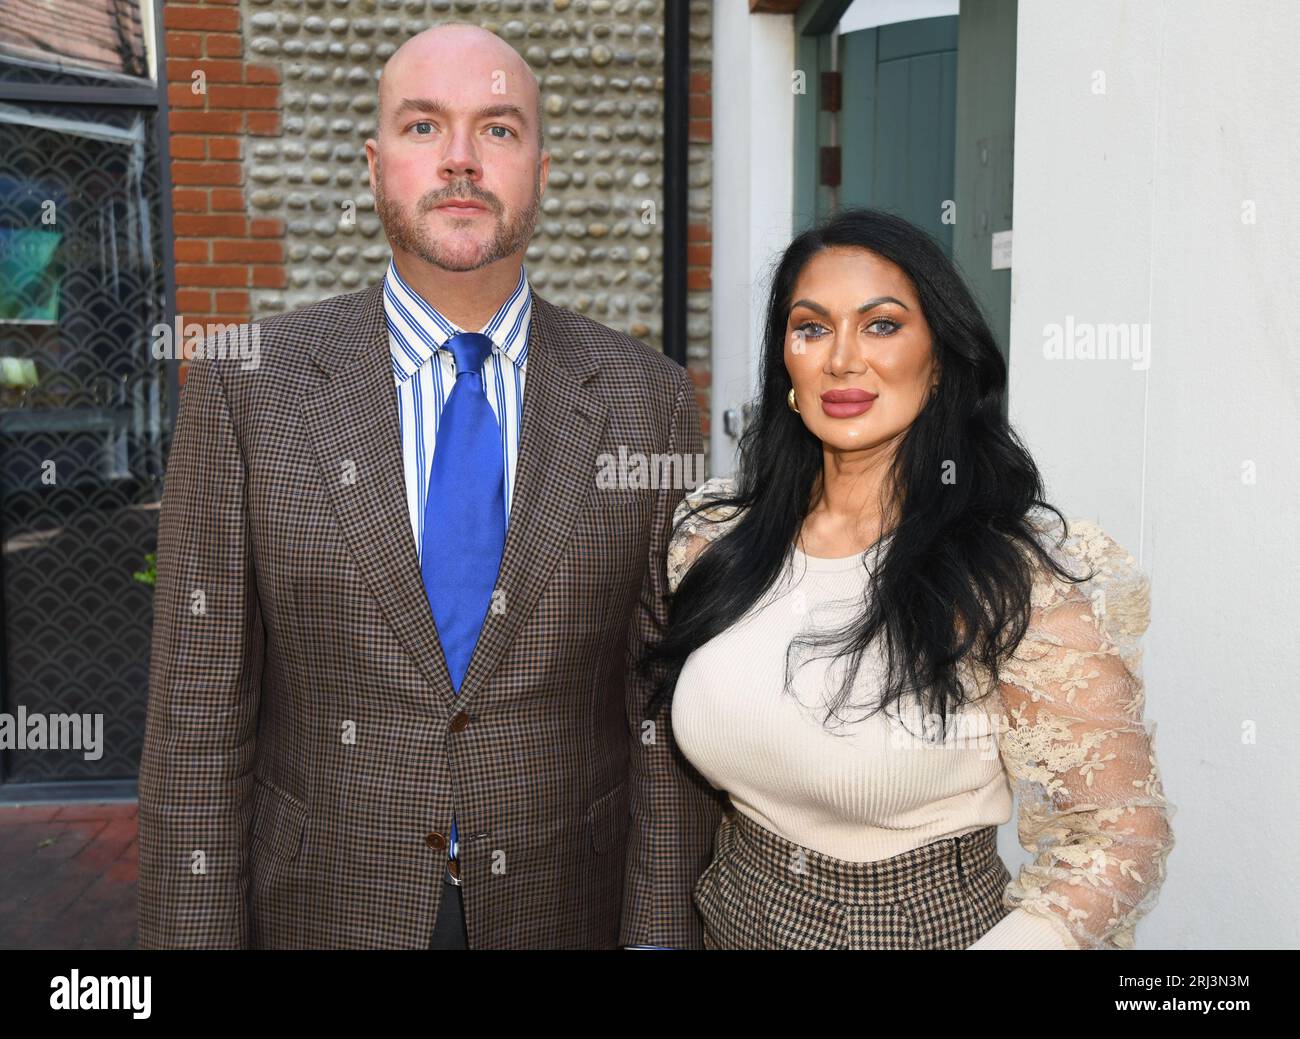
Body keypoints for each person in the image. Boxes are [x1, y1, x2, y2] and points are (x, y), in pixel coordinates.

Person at [137, 22, 720, 949]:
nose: (459, 160)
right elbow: (197, 714)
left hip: (567, 902)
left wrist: (657, 935)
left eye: (497, 129)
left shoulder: (645, 400)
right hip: (321, 904)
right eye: (422, 128)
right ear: (375, 166)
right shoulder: (246, 384)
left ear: (540, 165)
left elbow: (661, 700)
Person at [647, 207, 1176, 950]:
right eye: (811, 328)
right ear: (785, 364)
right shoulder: (714, 538)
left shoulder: (1008, 578)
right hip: (729, 920)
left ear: (941, 357)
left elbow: (1121, 829)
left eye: (882, 324)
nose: (842, 359)